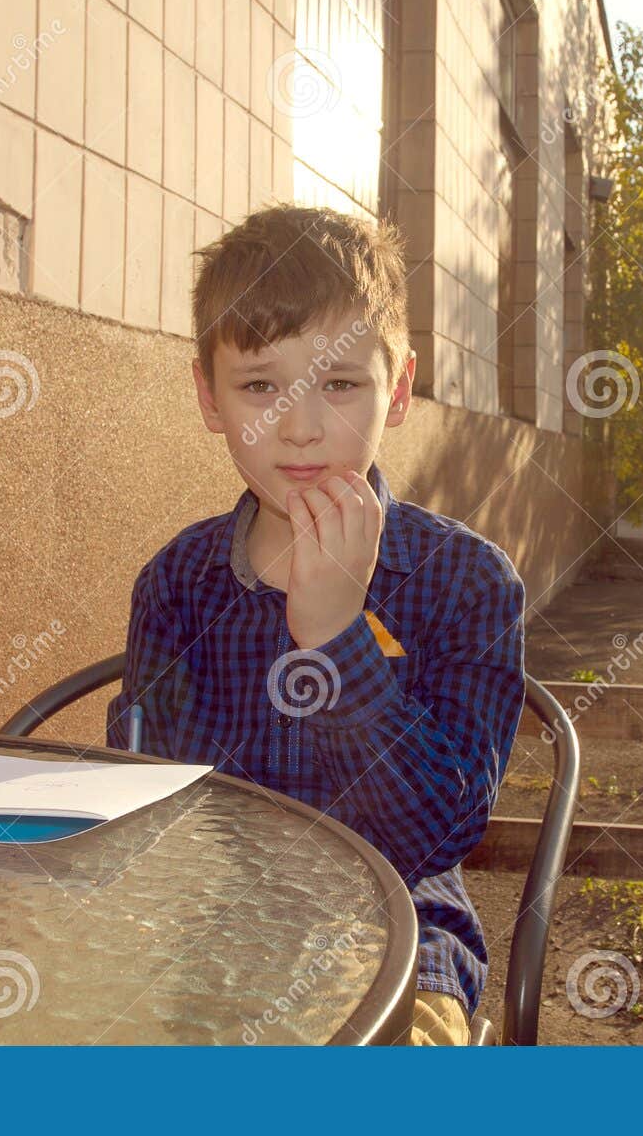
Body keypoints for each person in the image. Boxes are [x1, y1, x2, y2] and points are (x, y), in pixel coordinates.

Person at [104, 203, 527, 1046]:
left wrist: (337, 638)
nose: (299, 425)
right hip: (205, 938)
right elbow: (143, 802)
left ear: (399, 389)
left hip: (400, 944)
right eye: (260, 384)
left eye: (338, 383)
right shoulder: (177, 585)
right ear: (209, 397)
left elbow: (438, 831)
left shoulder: (467, 582)